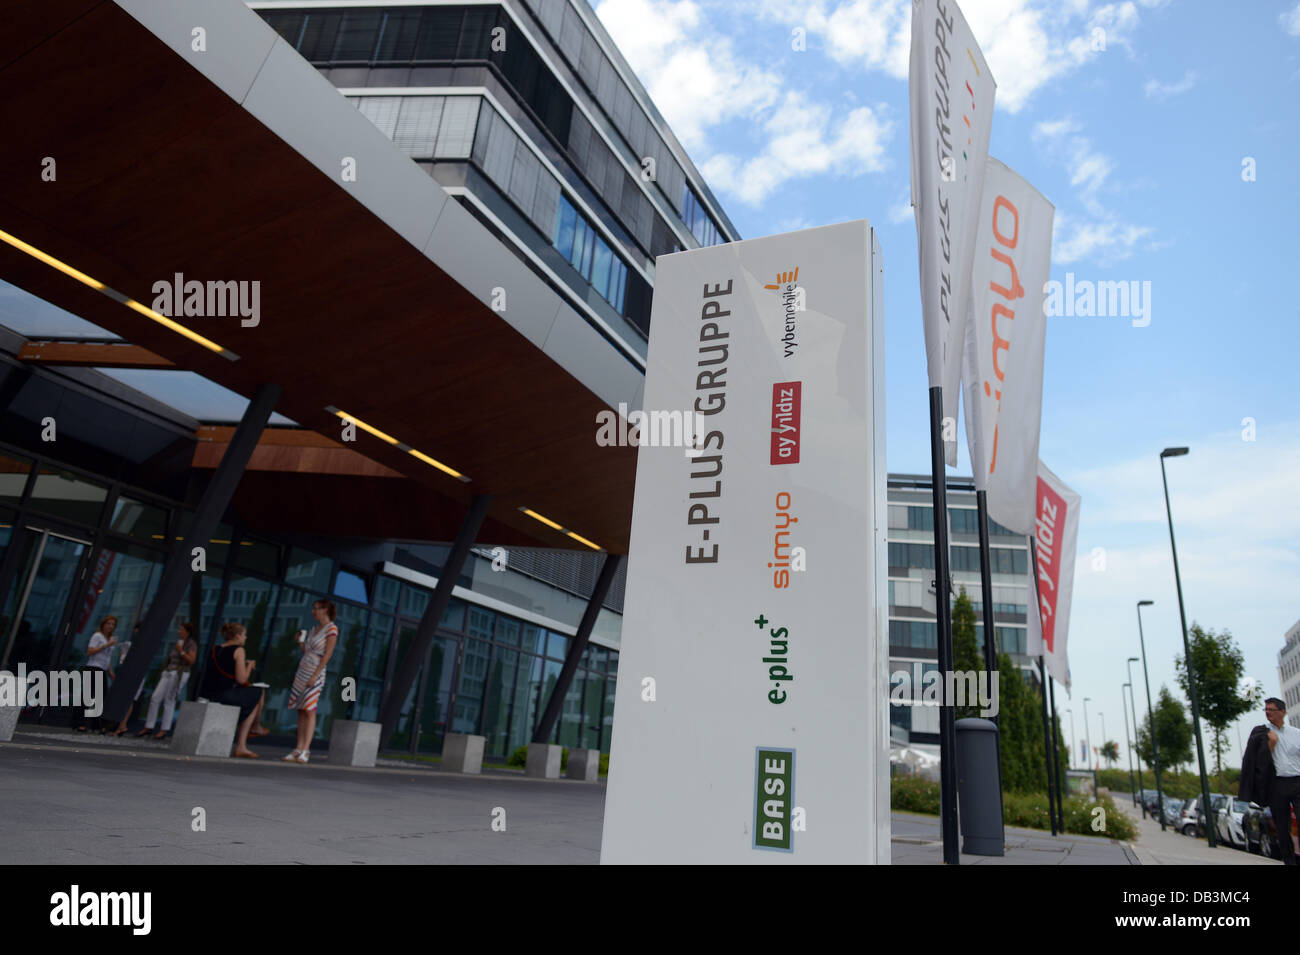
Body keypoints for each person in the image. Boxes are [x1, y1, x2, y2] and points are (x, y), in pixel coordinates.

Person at [1242, 697, 1300, 864]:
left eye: (1271, 710)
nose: (1268, 713)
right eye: (1266, 710)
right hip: (1277, 784)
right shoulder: (1261, 733)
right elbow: (1257, 761)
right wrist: (1271, 744)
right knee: (1282, 827)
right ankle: (1289, 860)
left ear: (1283, 712)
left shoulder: (1296, 734)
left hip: (1297, 782)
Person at [197, 622, 266, 759]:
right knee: (258, 692)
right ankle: (246, 740)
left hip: (209, 694)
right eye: (245, 635)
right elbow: (241, 679)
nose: (245, 638)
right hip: (224, 695)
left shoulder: (216, 649)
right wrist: (249, 666)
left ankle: (255, 728)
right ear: (238, 635)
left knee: (252, 694)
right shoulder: (239, 650)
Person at [283, 599, 338, 764]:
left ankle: (306, 750)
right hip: (302, 670)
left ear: (325, 610)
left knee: (309, 709)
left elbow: (327, 654)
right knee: (300, 709)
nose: (313, 611)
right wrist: (300, 642)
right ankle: (298, 748)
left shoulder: (332, 629)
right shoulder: (314, 629)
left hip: (316, 672)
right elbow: (308, 652)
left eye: (316, 609)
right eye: (313, 608)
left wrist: (315, 675)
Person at [136, 622, 198, 739]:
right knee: (155, 698)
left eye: (181, 629)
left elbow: (191, 661)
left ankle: (164, 729)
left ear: (187, 632)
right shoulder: (178, 642)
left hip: (179, 673)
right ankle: (149, 726)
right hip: (169, 671)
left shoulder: (191, 644)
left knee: (169, 700)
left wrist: (182, 651)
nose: (179, 631)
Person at [73, 616, 117, 732]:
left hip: (102, 669)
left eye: (113, 624)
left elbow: (107, 658)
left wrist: (110, 671)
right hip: (92, 667)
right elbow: (90, 651)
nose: (110, 626)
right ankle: (79, 723)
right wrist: (105, 645)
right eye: (108, 624)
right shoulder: (97, 636)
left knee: (100, 697)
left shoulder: (111, 638)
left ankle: (95, 724)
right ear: (103, 625)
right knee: (87, 696)